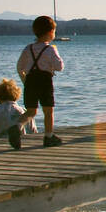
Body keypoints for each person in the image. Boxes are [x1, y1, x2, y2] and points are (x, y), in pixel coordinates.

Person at [17, 15, 65, 146]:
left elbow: (19, 67)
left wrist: (25, 81)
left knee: (31, 111)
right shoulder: (50, 49)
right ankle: (48, 136)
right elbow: (59, 67)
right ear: (51, 32)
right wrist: (56, 53)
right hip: (44, 81)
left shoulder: (28, 48)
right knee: (48, 111)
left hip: (30, 80)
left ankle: (17, 126)